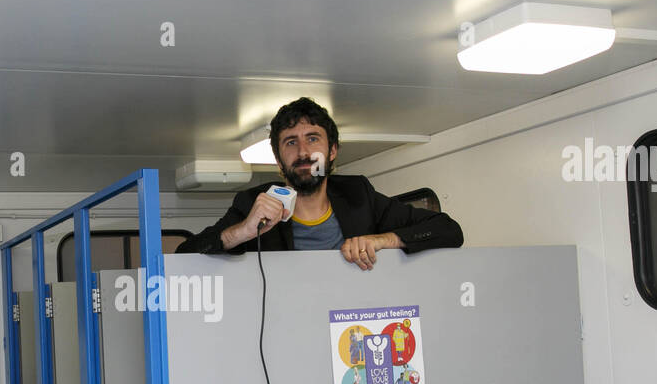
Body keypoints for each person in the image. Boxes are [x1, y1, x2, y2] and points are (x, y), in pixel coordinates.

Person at [176, 97, 463, 269]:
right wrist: (243, 231)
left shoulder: (358, 195)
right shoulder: (252, 204)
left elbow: (449, 230)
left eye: (312, 139)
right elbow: (184, 256)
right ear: (278, 160)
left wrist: (382, 240)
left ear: (332, 150)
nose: (303, 152)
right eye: (291, 143)